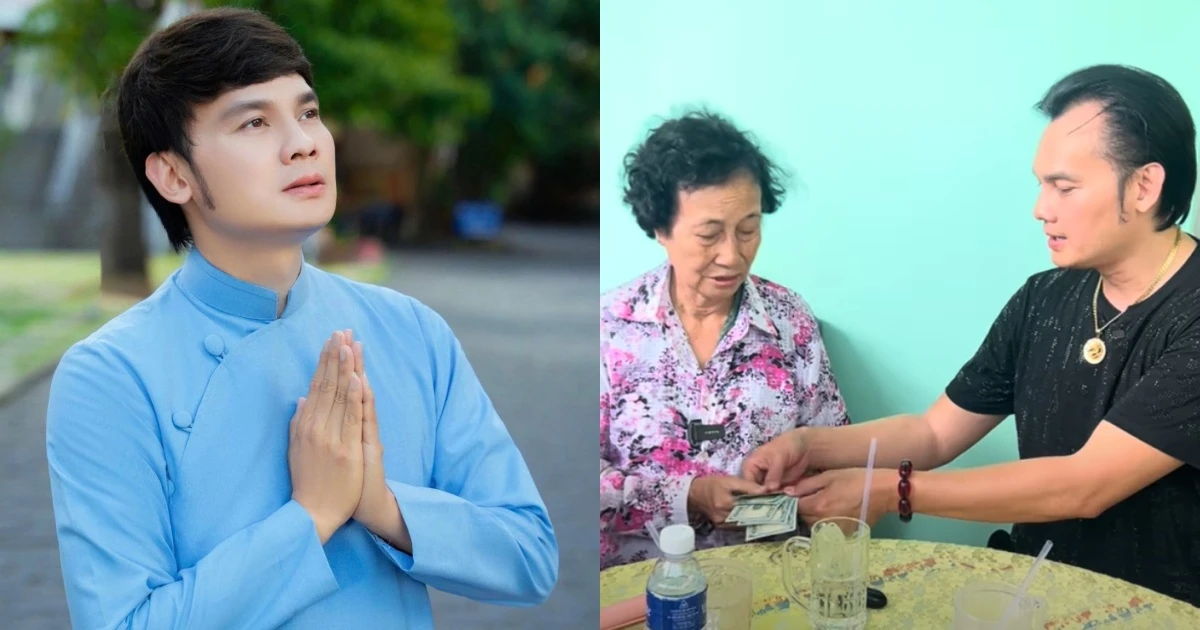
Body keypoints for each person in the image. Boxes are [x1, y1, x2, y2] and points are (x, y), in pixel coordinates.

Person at [44, 8, 557, 629]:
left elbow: (530, 556)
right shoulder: (110, 376)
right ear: (173, 173)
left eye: (308, 113)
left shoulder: (412, 332)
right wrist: (311, 516)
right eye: (255, 121)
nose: (304, 142)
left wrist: (382, 505)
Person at [742, 64, 1200, 606]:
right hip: (1037, 593)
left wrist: (894, 490)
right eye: (1040, 184)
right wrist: (809, 446)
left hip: (1157, 607)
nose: (1041, 209)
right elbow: (935, 434)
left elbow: (1086, 484)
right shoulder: (1045, 297)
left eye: (1065, 187)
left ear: (1145, 185)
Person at [600, 110, 850, 569]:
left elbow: (838, 455)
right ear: (660, 228)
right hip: (638, 590)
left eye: (749, 229)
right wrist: (688, 495)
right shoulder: (609, 328)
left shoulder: (789, 319)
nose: (732, 256)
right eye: (709, 234)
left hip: (773, 582)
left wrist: (797, 491)